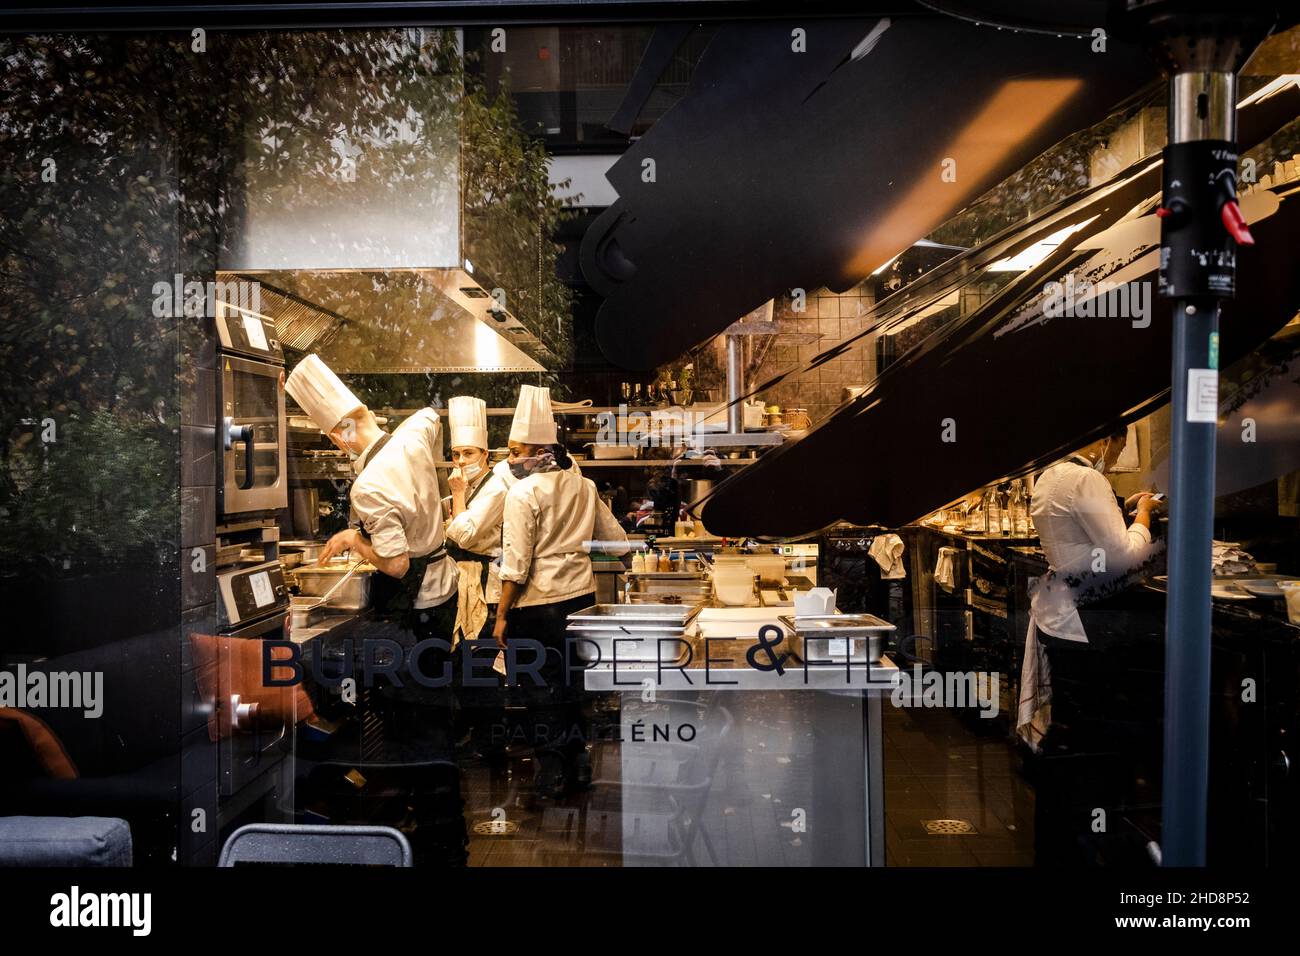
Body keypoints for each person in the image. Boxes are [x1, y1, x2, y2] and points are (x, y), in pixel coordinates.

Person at [284, 354, 466, 866]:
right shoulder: (413, 433)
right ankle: (430, 822)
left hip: (416, 610)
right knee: (429, 716)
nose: (334, 447)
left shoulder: (369, 486)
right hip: (443, 594)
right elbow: (433, 418)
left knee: (418, 726)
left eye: (332, 438)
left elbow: (393, 564)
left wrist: (355, 541)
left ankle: (438, 843)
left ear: (343, 432)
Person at [1017, 425, 1162, 865]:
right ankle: (1090, 842)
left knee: (1069, 733)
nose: (1114, 460)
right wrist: (1143, 519)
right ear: (1105, 440)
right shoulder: (1087, 478)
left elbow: (1080, 532)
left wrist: (1122, 507)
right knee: (1096, 742)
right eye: (1116, 449)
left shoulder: (1049, 476)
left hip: (1061, 618)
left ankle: (1058, 841)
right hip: (1088, 622)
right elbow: (1123, 556)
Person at [492, 384, 630, 798]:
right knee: (572, 688)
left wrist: (500, 616)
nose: (511, 460)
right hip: (581, 602)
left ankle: (551, 774)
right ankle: (581, 766)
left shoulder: (522, 493)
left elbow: (515, 566)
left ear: (540, 452)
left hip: (538, 607)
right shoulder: (584, 487)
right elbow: (619, 541)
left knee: (541, 693)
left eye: (516, 452)